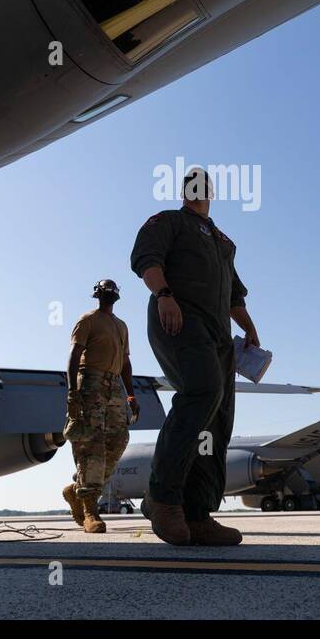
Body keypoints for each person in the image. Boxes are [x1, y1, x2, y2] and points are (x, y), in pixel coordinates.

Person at [130, 167, 259, 546]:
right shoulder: (169, 221)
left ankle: (197, 511)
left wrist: (249, 329)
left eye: (205, 183)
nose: (199, 187)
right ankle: (162, 496)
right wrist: (164, 295)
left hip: (219, 334)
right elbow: (146, 259)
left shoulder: (223, 241)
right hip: (179, 317)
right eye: (192, 182)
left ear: (213, 192)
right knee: (201, 391)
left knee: (217, 415)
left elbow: (234, 295)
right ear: (185, 189)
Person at [62, 279, 139, 534]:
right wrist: (73, 392)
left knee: (118, 441)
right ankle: (90, 508)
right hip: (91, 381)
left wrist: (131, 396)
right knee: (90, 444)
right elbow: (74, 355)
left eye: (112, 292)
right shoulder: (88, 320)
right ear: (97, 295)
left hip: (114, 384)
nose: (108, 295)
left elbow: (126, 363)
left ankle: (77, 491)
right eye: (104, 292)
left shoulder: (121, 326)